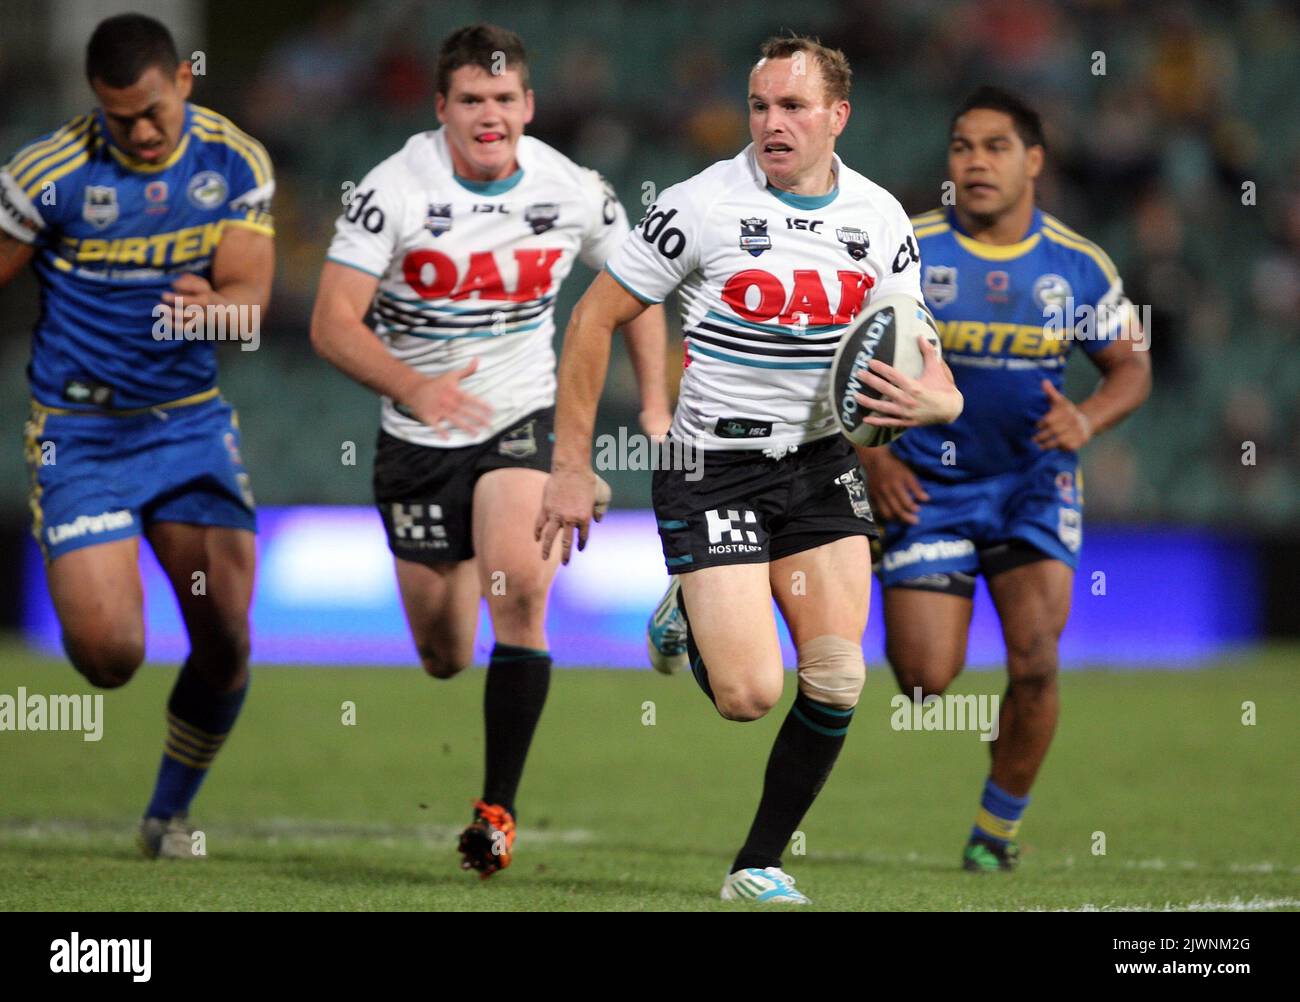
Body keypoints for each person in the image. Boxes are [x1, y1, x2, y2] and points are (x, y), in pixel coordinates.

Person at [537, 35, 961, 903]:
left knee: (838, 675)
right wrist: (571, 466)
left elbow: (921, 356)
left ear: (837, 116)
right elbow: (592, 320)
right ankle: (692, 608)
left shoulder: (882, 219)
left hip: (816, 466)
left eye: (794, 107)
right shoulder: (700, 206)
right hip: (712, 467)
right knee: (748, 695)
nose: (772, 122)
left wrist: (941, 405)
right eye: (761, 105)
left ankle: (756, 865)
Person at [311, 24, 671, 878]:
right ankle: (474, 545)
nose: (490, 115)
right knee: (444, 655)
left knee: (519, 591)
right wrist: (415, 387)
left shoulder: (571, 187)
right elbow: (331, 321)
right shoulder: (393, 190)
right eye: (471, 99)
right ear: (442, 108)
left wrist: (656, 402)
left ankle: (496, 812)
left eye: (505, 100)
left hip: (520, 416)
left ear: (529, 106)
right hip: (417, 440)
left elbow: (642, 291)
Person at [0, 13, 275, 858]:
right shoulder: (46, 174)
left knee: (224, 633)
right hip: (79, 435)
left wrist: (217, 311)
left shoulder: (234, 160)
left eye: (154, 111)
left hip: (186, 426)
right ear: (97, 103)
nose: (143, 132)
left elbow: (251, 306)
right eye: (122, 118)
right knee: (111, 655)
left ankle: (167, 816)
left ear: (183, 81)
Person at [861, 87, 1151, 872]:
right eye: (962, 146)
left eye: (995, 146)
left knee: (1037, 660)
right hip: (926, 486)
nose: (976, 161)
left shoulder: (1079, 265)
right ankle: (1004, 729)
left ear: (1034, 161)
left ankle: (995, 833)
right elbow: (849, 361)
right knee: (924, 681)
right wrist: (875, 455)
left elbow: (1131, 367)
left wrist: (1087, 421)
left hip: (1032, 483)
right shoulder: (907, 249)